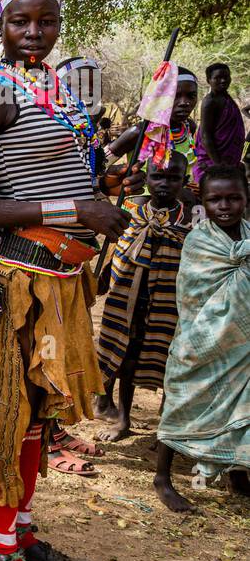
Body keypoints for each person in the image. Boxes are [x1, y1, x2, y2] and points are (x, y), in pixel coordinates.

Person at [0, 0, 133, 561]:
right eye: (20, 21)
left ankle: (21, 534)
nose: (33, 31)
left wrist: (102, 186)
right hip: (16, 278)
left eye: (45, 21)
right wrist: (74, 211)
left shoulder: (56, 87)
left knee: (38, 417)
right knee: (10, 413)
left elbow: (57, 171)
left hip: (61, 279)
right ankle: (1, 557)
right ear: (1, 24)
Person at [154, 164, 250, 511]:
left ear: (246, 197)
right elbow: (191, 297)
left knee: (242, 407)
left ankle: (237, 473)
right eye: (215, 199)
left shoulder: (248, 236)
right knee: (180, 400)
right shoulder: (199, 241)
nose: (224, 206)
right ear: (203, 201)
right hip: (199, 340)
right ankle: (162, 477)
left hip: (242, 345)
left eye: (233, 198)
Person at [92, 155, 191, 445]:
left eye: (173, 178)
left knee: (169, 357)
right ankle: (123, 418)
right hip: (128, 299)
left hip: (167, 304)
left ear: (184, 182)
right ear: (146, 178)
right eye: (157, 176)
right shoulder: (132, 208)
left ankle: (169, 426)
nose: (164, 183)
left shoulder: (188, 219)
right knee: (125, 357)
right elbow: (116, 250)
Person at [193, 63, 244, 182]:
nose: (223, 80)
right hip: (215, 159)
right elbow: (205, 135)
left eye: (226, 77)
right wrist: (219, 165)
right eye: (218, 78)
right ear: (209, 80)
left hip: (228, 159)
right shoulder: (210, 102)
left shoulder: (226, 98)